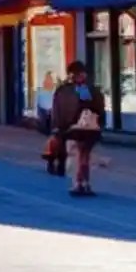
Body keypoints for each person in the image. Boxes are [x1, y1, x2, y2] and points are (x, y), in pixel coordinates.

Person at [50, 60, 106, 197]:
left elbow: (57, 111)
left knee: (77, 156)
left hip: (72, 129)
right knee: (83, 156)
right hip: (85, 128)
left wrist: (57, 127)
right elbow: (90, 107)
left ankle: (79, 183)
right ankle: (83, 183)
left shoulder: (63, 90)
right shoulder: (83, 88)